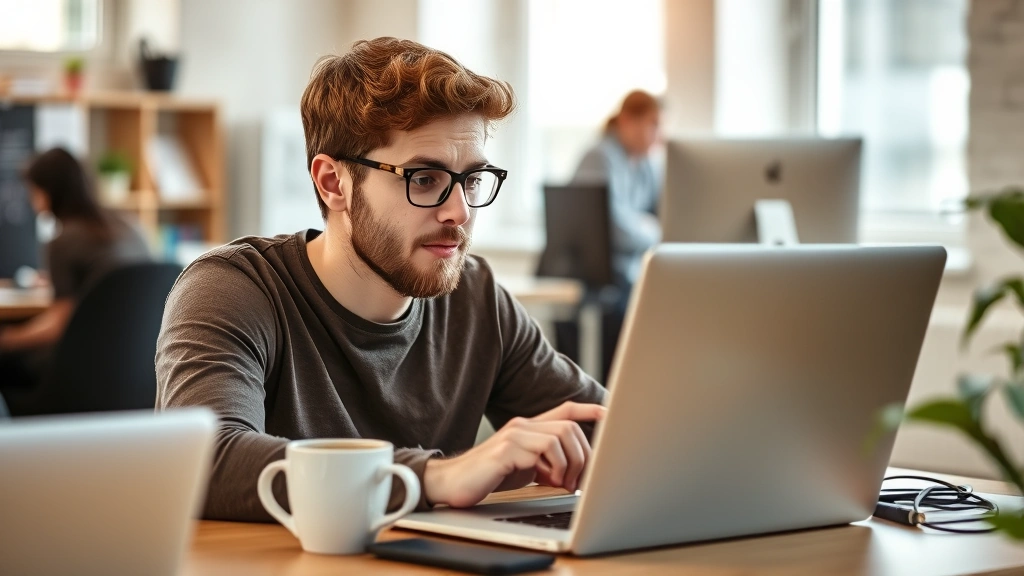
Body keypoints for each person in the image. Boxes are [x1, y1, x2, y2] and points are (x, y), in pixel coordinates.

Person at [155, 37, 608, 522]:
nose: (459, 212)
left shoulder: (475, 298)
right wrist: (435, 477)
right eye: (424, 179)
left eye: (472, 180)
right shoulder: (233, 290)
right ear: (334, 183)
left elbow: (621, 436)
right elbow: (205, 461)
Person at [0, 148, 151, 387]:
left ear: (47, 192)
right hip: (141, 366)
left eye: (33, 191)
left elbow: (59, 324)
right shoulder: (130, 225)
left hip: (87, 370)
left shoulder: (63, 241)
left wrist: (8, 338)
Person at [565, 91, 663, 378]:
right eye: (653, 124)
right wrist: (650, 229)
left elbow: (662, 219)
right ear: (627, 121)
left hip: (624, 274)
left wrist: (648, 227)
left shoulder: (646, 165)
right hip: (592, 276)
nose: (659, 135)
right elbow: (616, 229)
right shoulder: (600, 156)